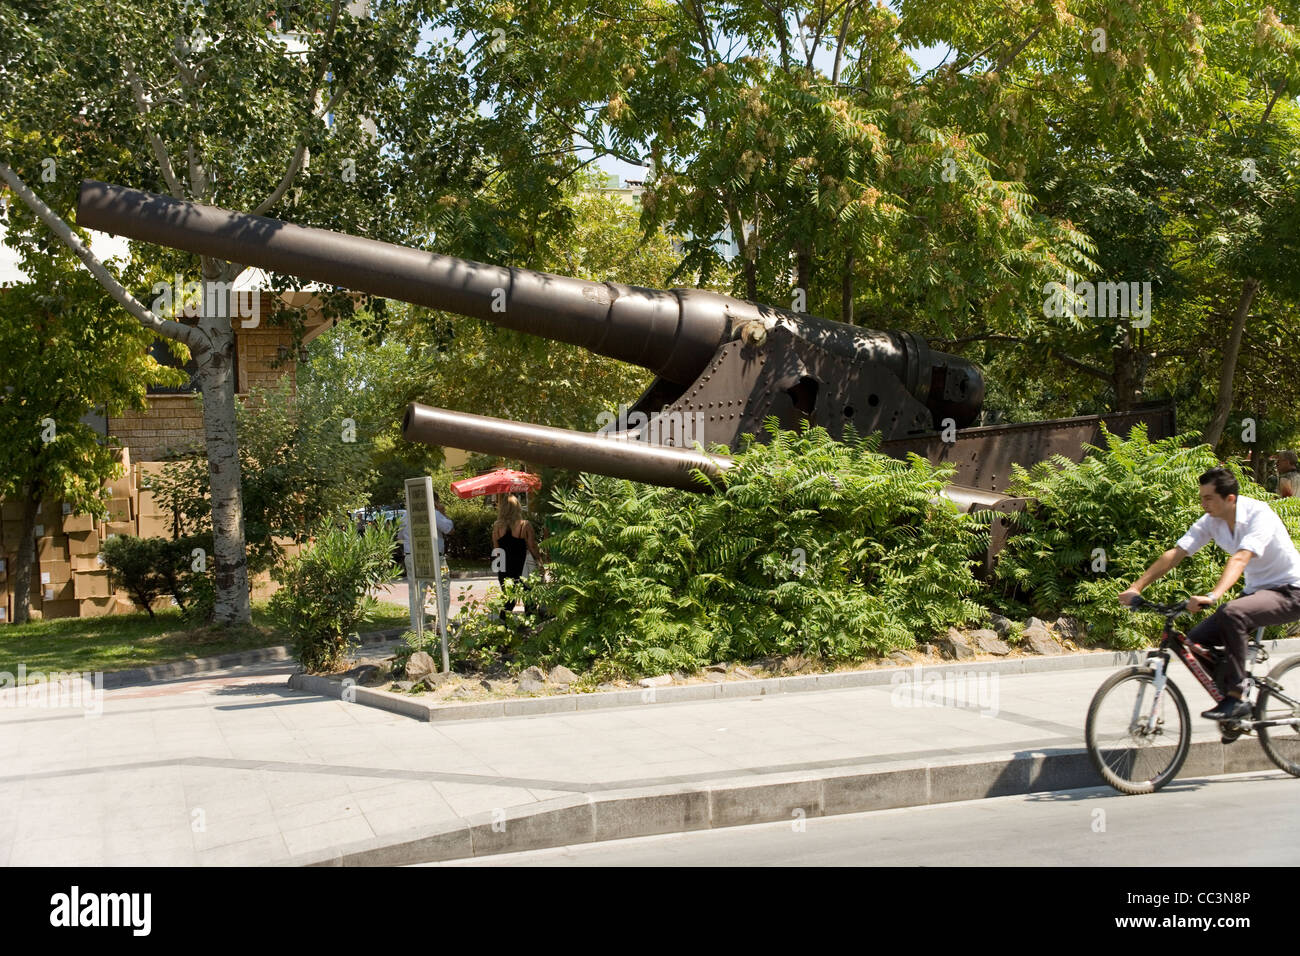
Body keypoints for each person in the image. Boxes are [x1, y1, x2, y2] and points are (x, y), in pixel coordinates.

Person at [1118, 466, 1300, 723]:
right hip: (1257, 593)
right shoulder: (1212, 521)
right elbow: (1176, 553)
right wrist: (1136, 587)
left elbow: (1240, 558)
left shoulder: (1260, 515)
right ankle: (1234, 704)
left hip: (1291, 590)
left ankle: (1237, 696)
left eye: (1208, 498)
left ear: (1230, 498)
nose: (1203, 503)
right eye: (1201, 497)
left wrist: (1213, 595)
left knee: (1232, 611)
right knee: (1194, 643)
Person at [491, 494, 545, 622]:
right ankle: (531, 627)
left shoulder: (497, 527)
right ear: (518, 507)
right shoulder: (524, 525)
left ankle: (502, 628)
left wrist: (498, 568)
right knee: (529, 598)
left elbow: (496, 550)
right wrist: (539, 561)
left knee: (509, 600)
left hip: (505, 567)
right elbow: (532, 546)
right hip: (522, 565)